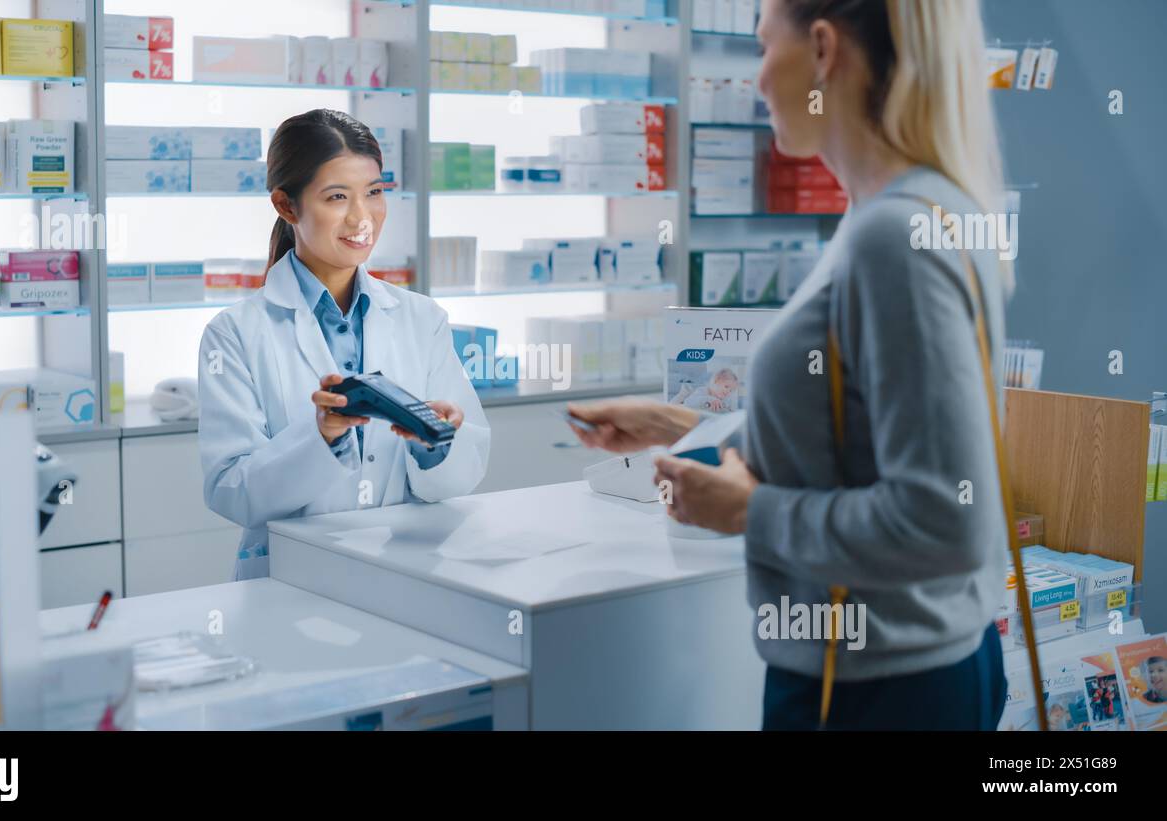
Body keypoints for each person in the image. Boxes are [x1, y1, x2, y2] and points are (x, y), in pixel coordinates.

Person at [566, 0, 1012, 730]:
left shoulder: (894, 238)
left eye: (763, 49)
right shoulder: (905, 211)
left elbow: (946, 519)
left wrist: (749, 510)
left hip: (878, 688)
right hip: (887, 668)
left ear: (825, 51)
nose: (757, 80)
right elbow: (849, 428)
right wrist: (680, 425)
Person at [198, 109, 489, 581]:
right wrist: (321, 436)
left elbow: (466, 470)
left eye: (374, 193)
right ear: (287, 206)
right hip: (293, 581)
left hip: (407, 571)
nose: (362, 217)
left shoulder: (422, 319)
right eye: (337, 197)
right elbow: (231, 491)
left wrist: (437, 444)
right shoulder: (235, 333)